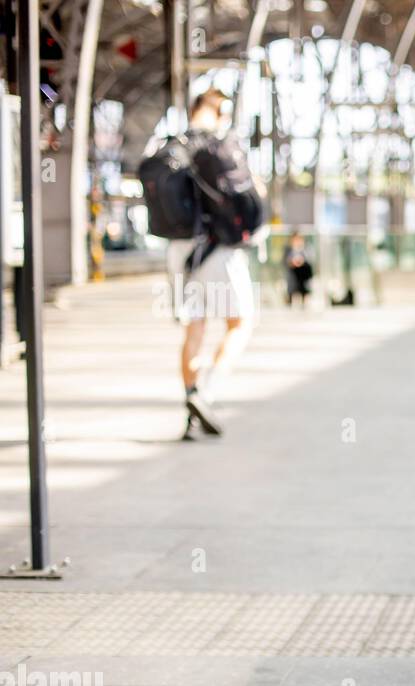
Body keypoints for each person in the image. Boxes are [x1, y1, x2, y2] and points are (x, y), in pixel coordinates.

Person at [165, 88, 259, 439]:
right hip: (216, 251)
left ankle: (190, 410)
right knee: (240, 323)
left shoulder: (172, 146)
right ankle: (207, 393)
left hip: (179, 253)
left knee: (195, 329)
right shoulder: (217, 147)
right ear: (219, 112)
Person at [283, 231, 313, 307]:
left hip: (303, 273)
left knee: (304, 288)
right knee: (292, 288)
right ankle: (290, 303)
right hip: (293, 273)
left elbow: (310, 259)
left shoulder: (306, 248)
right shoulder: (288, 249)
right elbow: (285, 261)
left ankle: (304, 303)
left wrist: (301, 261)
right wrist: (292, 262)